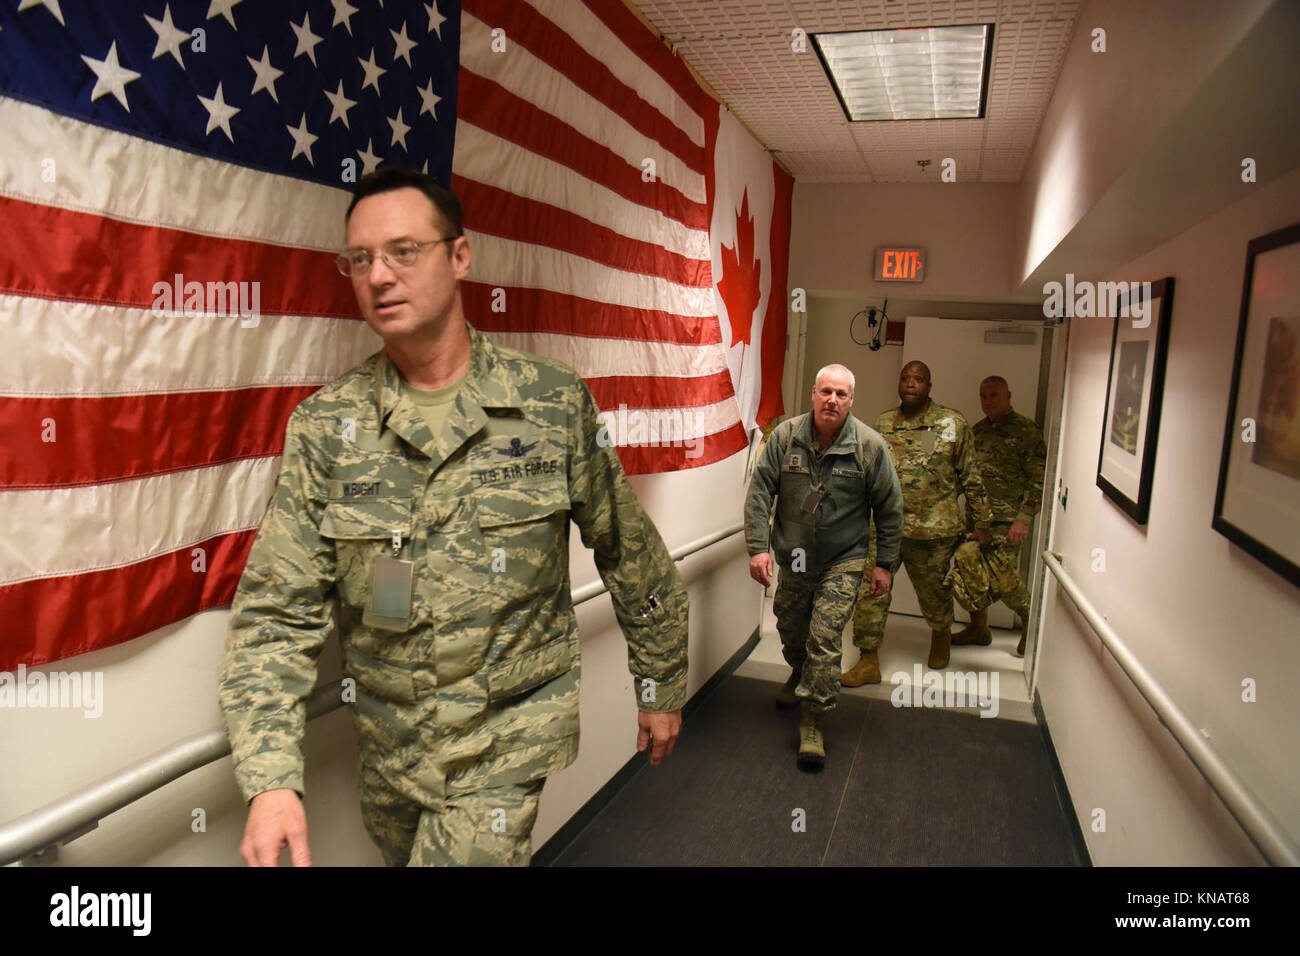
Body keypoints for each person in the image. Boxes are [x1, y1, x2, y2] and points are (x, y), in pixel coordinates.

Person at [218, 167, 688, 867]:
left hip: (506, 736)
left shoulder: (550, 404)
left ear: (460, 257)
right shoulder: (327, 428)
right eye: (360, 259)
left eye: (404, 251)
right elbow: (277, 614)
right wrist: (271, 778)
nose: (379, 276)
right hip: (389, 747)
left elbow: (629, 551)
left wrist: (660, 682)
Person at [744, 365, 903, 771]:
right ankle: (800, 673)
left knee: (824, 636)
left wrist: (884, 564)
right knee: (791, 627)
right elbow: (761, 490)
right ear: (814, 394)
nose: (833, 400)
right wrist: (757, 547)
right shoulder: (785, 437)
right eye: (826, 392)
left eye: (842, 395)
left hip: (843, 559)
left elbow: (889, 509)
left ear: (852, 400)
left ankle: (813, 719)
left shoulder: (870, 446)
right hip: (794, 557)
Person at [843, 361, 992, 681]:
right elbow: (868, 472)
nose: (911, 384)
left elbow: (972, 478)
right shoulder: (883, 423)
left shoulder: (951, 423)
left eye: (919, 379)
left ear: (929, 386)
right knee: (871, 590)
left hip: (933, 530)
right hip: (884, 529)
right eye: (905, 378)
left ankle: (941, 638)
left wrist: (982, 525)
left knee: (935, 594)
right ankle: (868, 658)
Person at [952, 375, 1047, 656]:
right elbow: (966, 475)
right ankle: (979, 629)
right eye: (983, 396)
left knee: (1001, 575)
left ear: (1008, 396)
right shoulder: (977, 432)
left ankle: (1029, 619)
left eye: (994, 395)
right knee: (971, 571)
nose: (988, 401)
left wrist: (1025, 517)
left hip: (1008, 522)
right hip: (978, 519)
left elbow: (1038, 478)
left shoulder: (1026, 431)